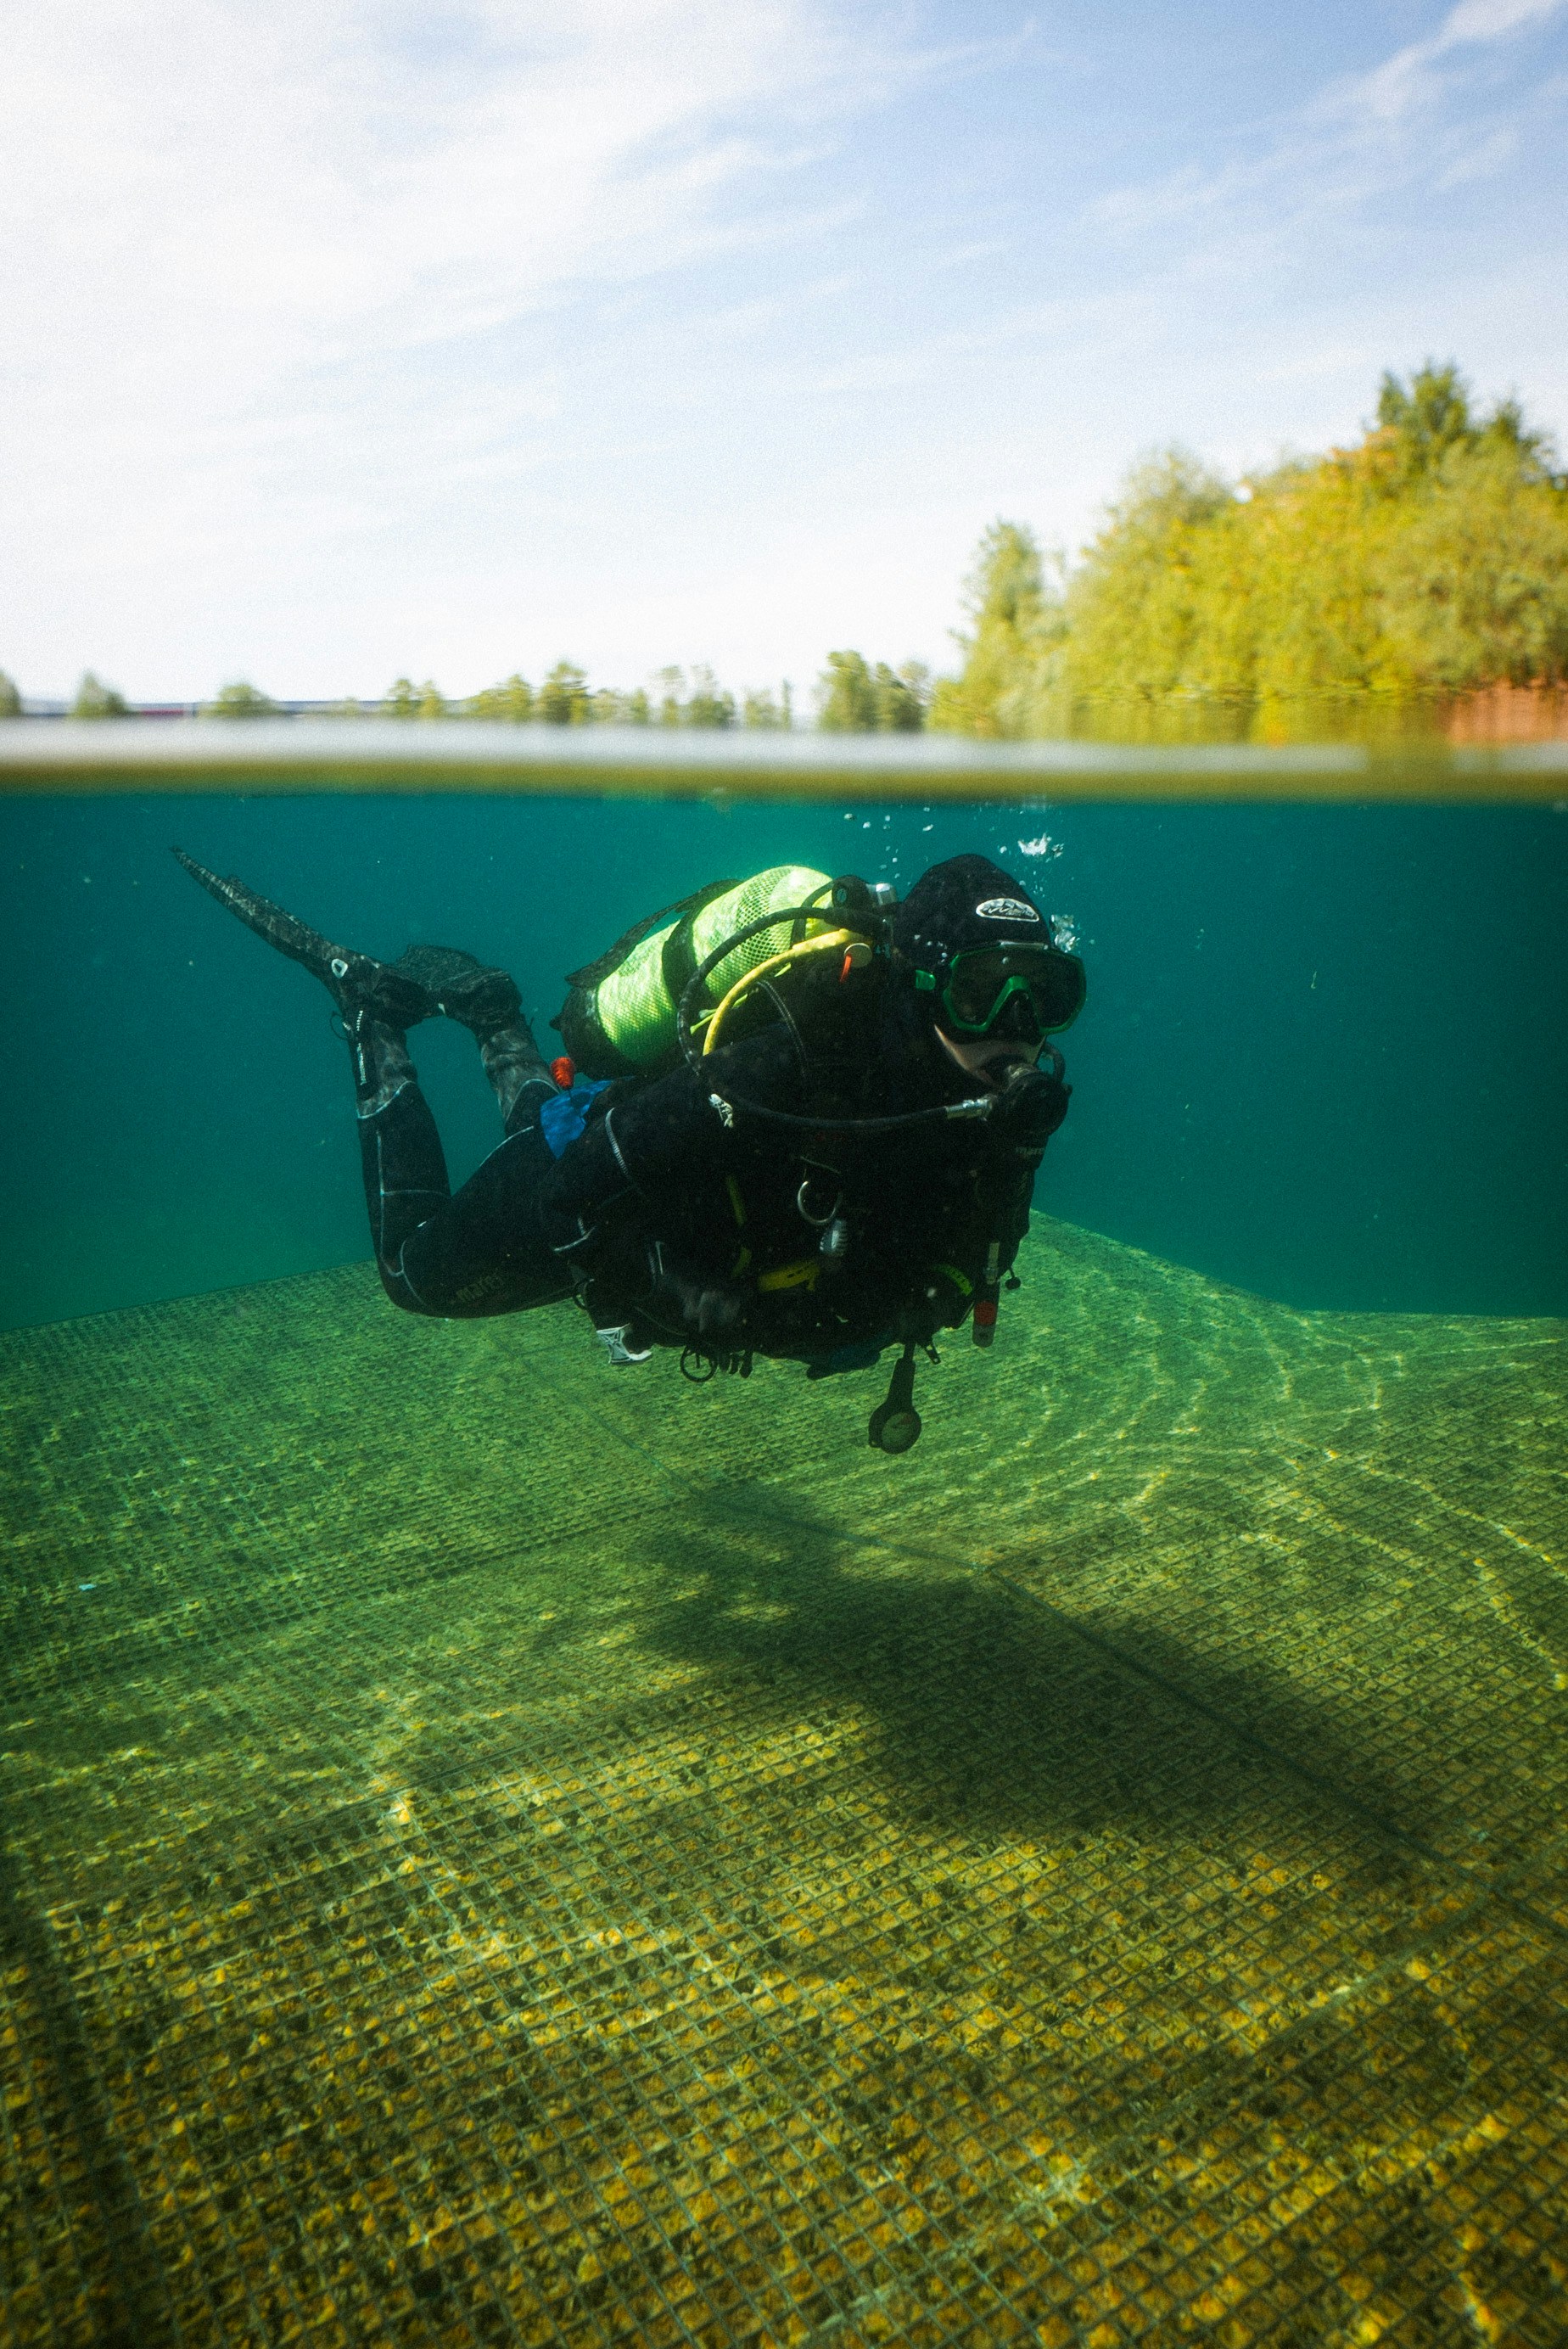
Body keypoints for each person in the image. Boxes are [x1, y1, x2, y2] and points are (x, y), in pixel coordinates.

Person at [174, 848, 1085, 1449]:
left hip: (644, 1165)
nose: (1015, 1030)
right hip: (609, 1177)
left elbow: (967, 1253)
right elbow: (575, 1193)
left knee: (542, 1122)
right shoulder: (787, 1064)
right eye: (982, 993)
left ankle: (495, 1015)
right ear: (923, 987)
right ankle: (372, 1014)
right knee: (416, 1277)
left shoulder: (990, 1115)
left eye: (1041, 998)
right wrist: (684, 1297)